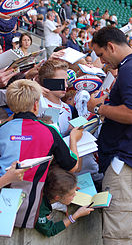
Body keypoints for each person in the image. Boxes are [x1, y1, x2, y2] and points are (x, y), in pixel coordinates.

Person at [87, 26, 132, 245]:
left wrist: (99, 108)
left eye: (101, 55)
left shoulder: (130, 68)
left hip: (126, 165)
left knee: (118, 237)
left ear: (110, 46)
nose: (102, 62)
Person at [0, 79, 82, 228]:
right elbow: (72, 165)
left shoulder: (2, 129)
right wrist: (74, 139)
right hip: (29, 209)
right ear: (37, 104)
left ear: (11, 105)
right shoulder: (49, 131)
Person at [35, 166, 94, 237]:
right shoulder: (39, 210)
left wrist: (71, 187)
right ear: (57, 197)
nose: (75, 194)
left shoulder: (47, 191)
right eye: (72, 194)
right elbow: (50, 230)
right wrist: (75, 216)